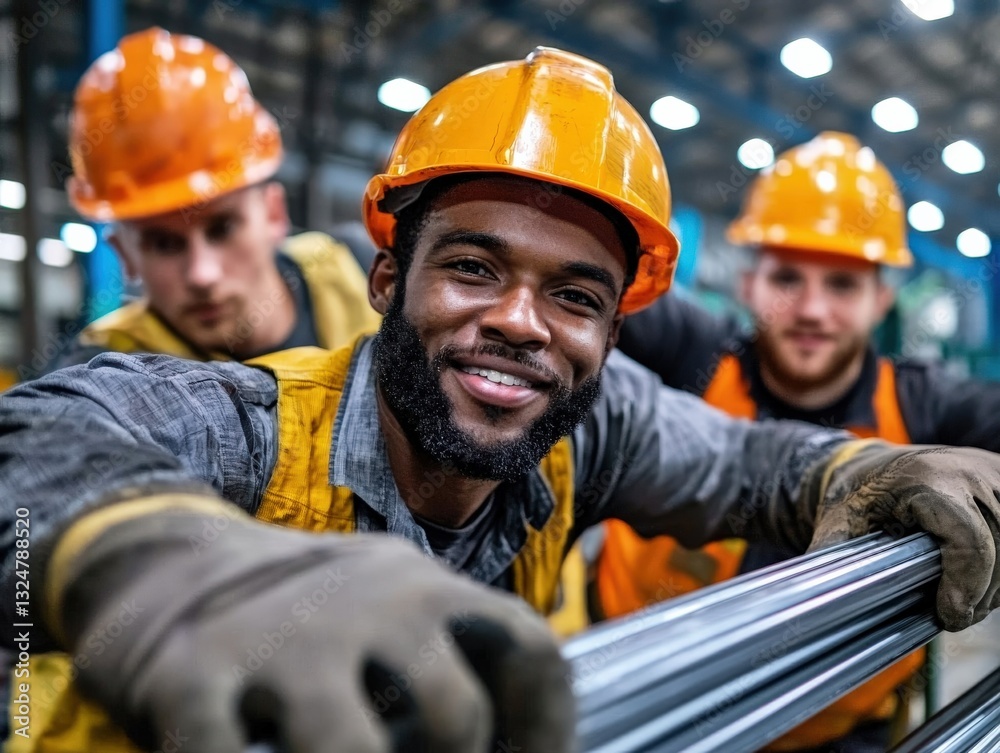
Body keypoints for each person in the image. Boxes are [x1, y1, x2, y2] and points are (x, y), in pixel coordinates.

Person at [3, 52, 1000, 753]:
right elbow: (49, 435)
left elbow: (746, 462)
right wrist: (162, 563)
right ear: (386, 281)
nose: (522, 321)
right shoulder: (251, 427)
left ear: (613, 334)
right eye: (474, 266)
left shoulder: (588, 423)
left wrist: (867, 471)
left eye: (574, 296)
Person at [601, 131, 1000, 752]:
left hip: (838, 735)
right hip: (639, 716)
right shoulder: (692, 358)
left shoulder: (925, 405)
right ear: (749, 284)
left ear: (881, 301)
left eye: (842, 286)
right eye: (788, 278)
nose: (812, 309)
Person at [46, 27, 381, 372]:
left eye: (222, 228)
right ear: (124, 255)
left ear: (274, 214)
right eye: (163, 244)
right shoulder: (103, 370)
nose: (202, 275)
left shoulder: (357, 271)